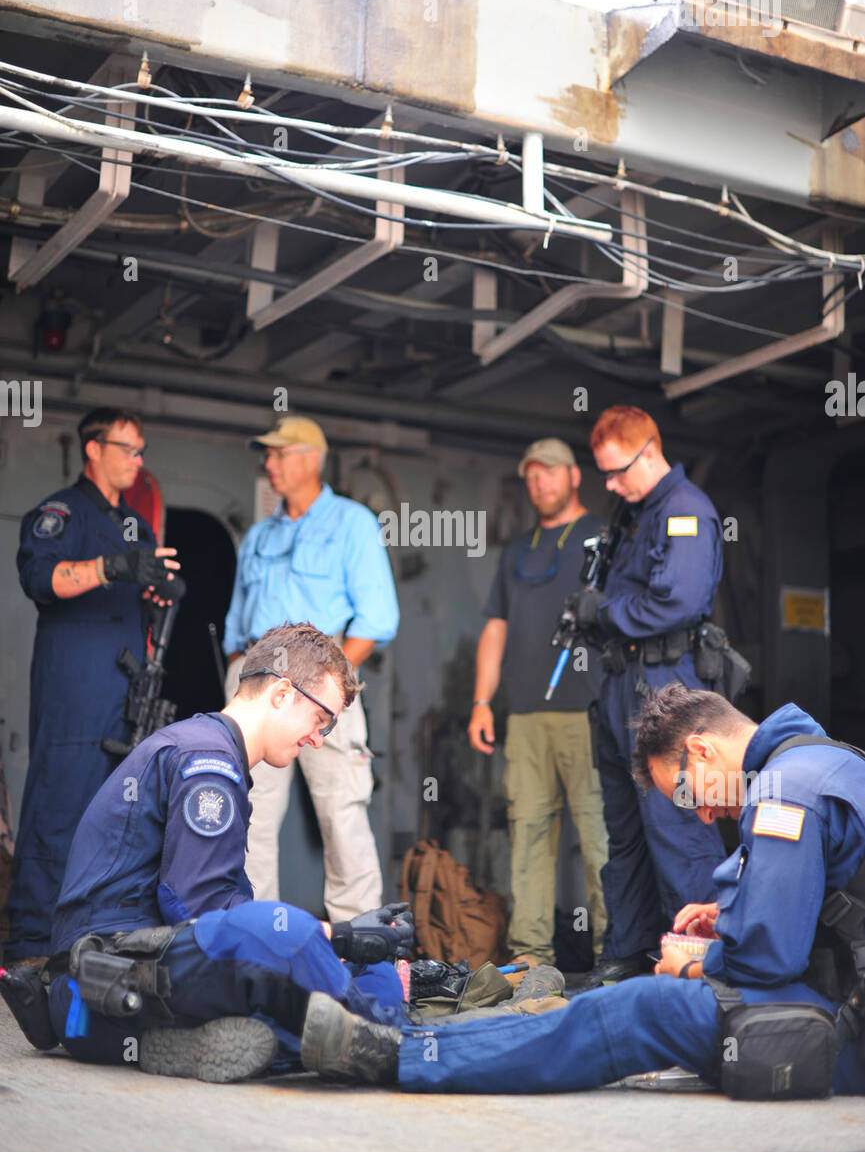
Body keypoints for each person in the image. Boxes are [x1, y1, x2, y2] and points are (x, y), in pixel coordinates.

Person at [299, 685, 865, 1099]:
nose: (700, 816)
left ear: (703, 750)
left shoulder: (783, 795)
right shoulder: (821, 762)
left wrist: (691, 965)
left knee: (640, 1006)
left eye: (688, 795)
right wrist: (734, 912)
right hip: (841, 1003)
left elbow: (768, 959)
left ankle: (396, 1057)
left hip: (843, 1040)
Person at [36, 624, 410, 1082]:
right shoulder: (206, 762)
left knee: (376, 973)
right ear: (281, 693)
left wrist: (348, 951)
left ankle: (249, 1042)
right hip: (105, 990)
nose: (319, 739)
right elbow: (200, 908)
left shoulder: (212, 751)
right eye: (322, 721)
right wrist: (341, 934)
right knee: (291, 931)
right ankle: (377, 1037)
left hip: (140, 984)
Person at [6, 408, 180, 965]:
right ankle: (33, 946)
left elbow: (146, 582)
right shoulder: (61, 513)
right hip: (74, 691)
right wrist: (114, 567)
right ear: (93, 449)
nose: (138, 460)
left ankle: (95, 944)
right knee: (58, 811)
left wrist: (161, 589)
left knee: (120, 822)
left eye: (141, 449)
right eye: (127, 448)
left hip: (127, 696)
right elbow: (42, 579)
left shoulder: (137, 526)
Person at [569, 406, 728, 990]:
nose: (608, 484)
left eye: (615, 472)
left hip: (666, 688)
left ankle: (703, 959)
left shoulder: (685, 510)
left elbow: (677, 603)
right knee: (626, 829)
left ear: (649, 452)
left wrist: (604, 612)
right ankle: (634, 951)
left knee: (677, 821)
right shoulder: (634, 515)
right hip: (622, 684)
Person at [223, 417, 399, 921]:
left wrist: (331, 688)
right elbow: (237, 629)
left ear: (310, 459)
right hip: (259, 693)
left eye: (279, 454)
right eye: (268, 455)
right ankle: (257, 937)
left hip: (324, 693)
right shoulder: (259, 535)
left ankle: (360, 945)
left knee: (342, 815)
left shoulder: (352, 522)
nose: (268, 464)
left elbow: (378, 619)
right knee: (249, 818)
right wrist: (240, 681)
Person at [467, 437, 607, 968]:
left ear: (574, 476)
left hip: (588, 712)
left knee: (599, 836)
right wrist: (482, 701)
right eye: (530, 475)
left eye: (549, 472)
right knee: (527, 833)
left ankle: (613, 955)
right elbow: (495, 628)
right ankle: (530, 960)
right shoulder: (516, 550)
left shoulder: (603, 539)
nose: (539, 483)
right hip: (523, 715)